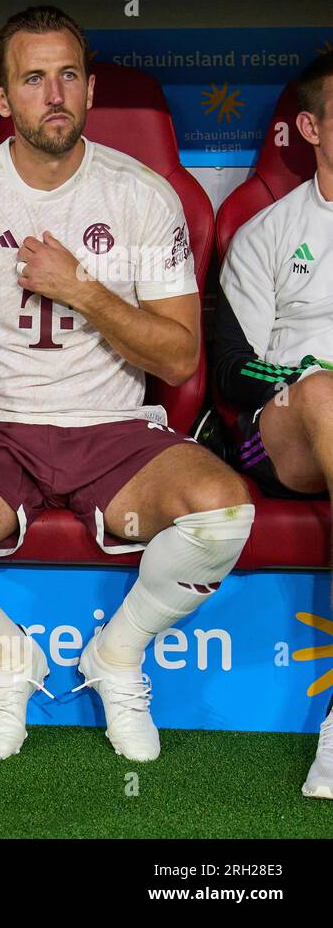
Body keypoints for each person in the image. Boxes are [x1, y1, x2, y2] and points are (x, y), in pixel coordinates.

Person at [0, 6, 254, 763]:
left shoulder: (142, 194)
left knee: (224, 511)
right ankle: (8, 656)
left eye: (68, 76)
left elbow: (177, 360)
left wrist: (85, 290)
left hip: (115, 429)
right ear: (3, 100)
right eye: (34, 79)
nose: (55, 94)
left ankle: (118, 653)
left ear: (91, 89)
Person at [213, 50, 333, 798]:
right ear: (311, 128)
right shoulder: (266, 232)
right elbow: (233, 369)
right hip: (281, 429)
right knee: (324, 395)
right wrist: (305, 379)